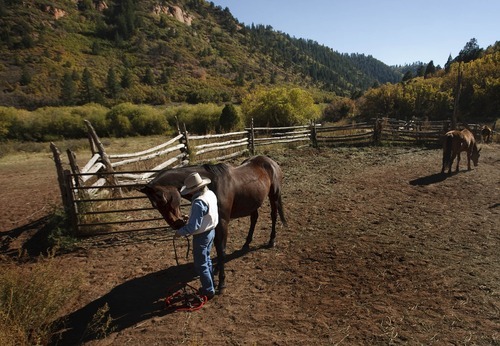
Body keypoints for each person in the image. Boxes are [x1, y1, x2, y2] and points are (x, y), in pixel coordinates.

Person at [175, 172, 219, 300]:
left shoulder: (199, 202)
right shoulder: (210, 194)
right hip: (211, 231)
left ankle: (208, 290)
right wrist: (192, 217)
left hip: (201, 236)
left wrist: (180, 232)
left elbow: (194, 227)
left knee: (201, 264)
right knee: (207, 259)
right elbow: (208, 213)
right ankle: (211, 283)